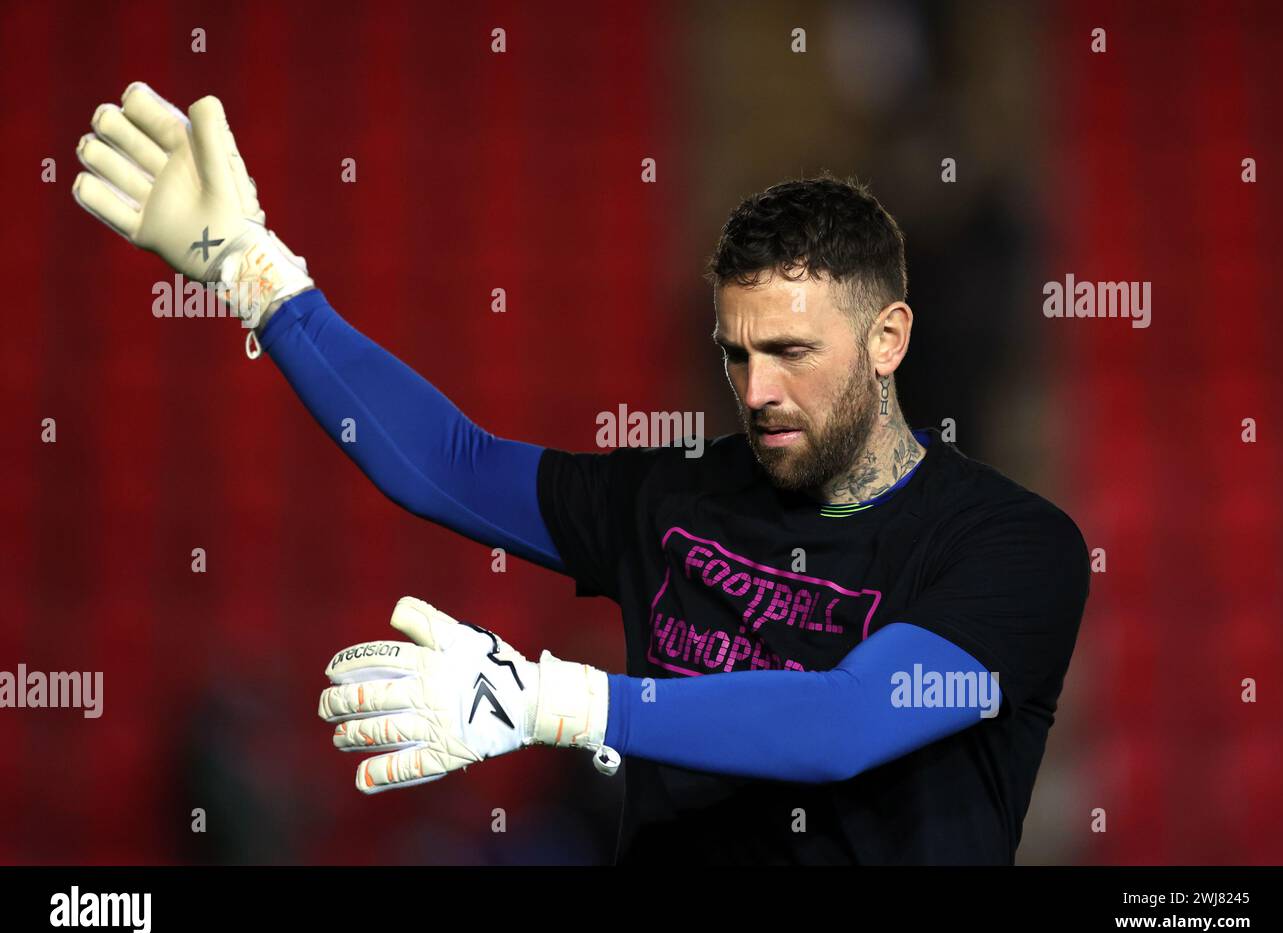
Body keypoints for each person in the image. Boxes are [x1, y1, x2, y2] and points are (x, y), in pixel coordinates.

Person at [73, 82, 1089, 864]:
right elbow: (445, 463)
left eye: (793, 350)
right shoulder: (676, 499)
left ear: (887, 339)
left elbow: (845, 719)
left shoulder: (1012, 547)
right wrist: (254, 271)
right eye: (738, 355)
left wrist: (552, 700)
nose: (760, 389)